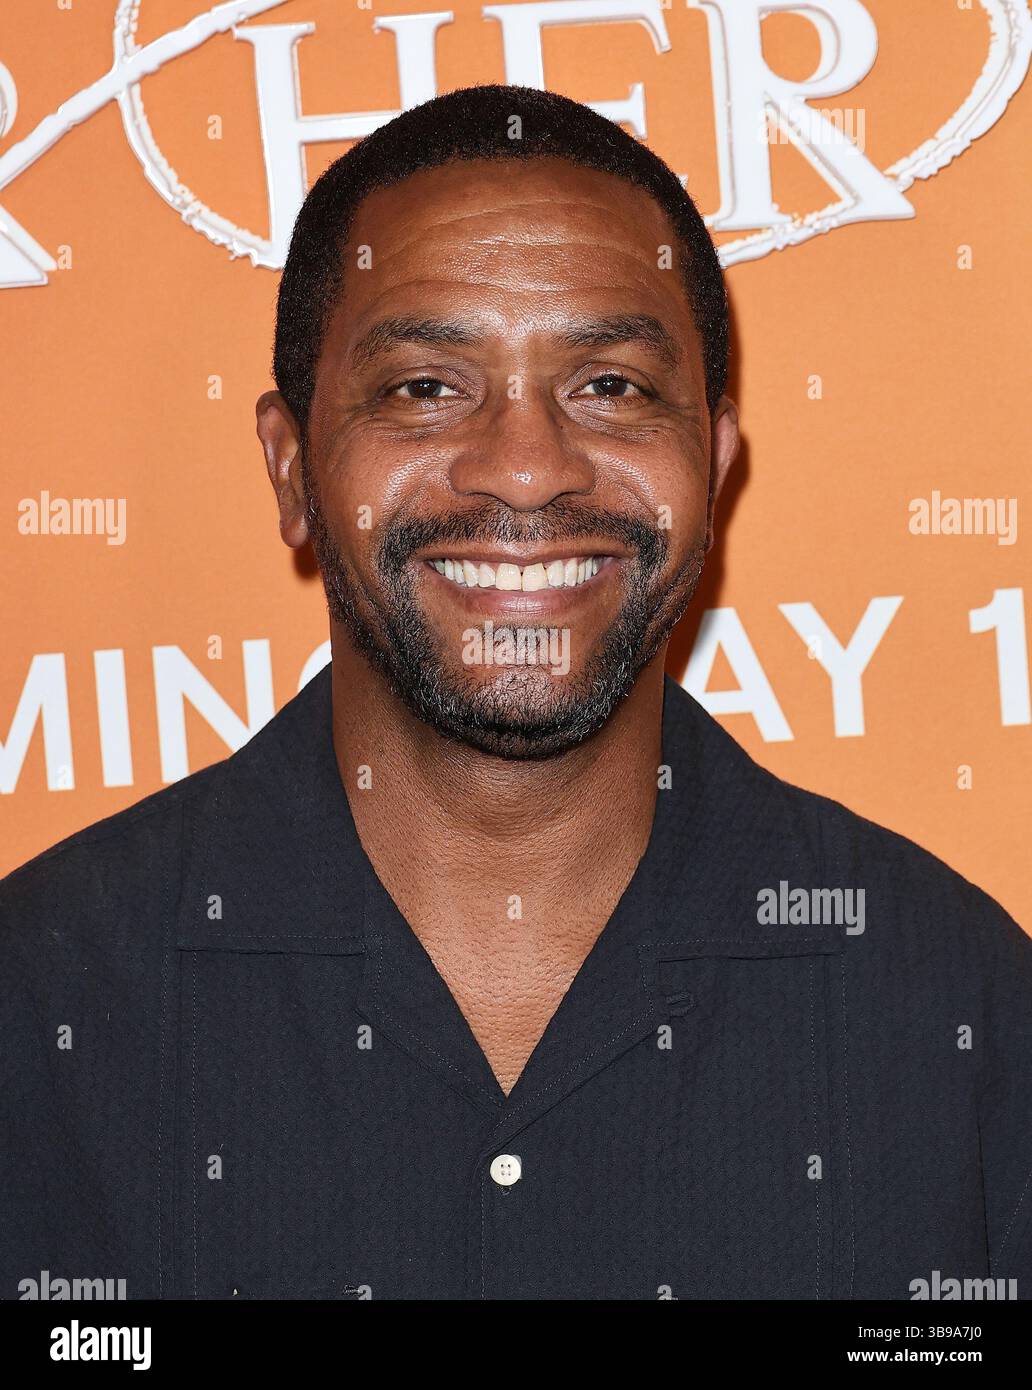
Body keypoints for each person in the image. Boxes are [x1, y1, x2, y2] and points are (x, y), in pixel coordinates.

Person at [2, 84, 1030, 1302]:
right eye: (425, 387)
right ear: (290, 468)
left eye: (613, 385)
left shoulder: (953, 1007)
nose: (530, 468)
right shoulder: (44, 1002)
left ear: (715, 458)